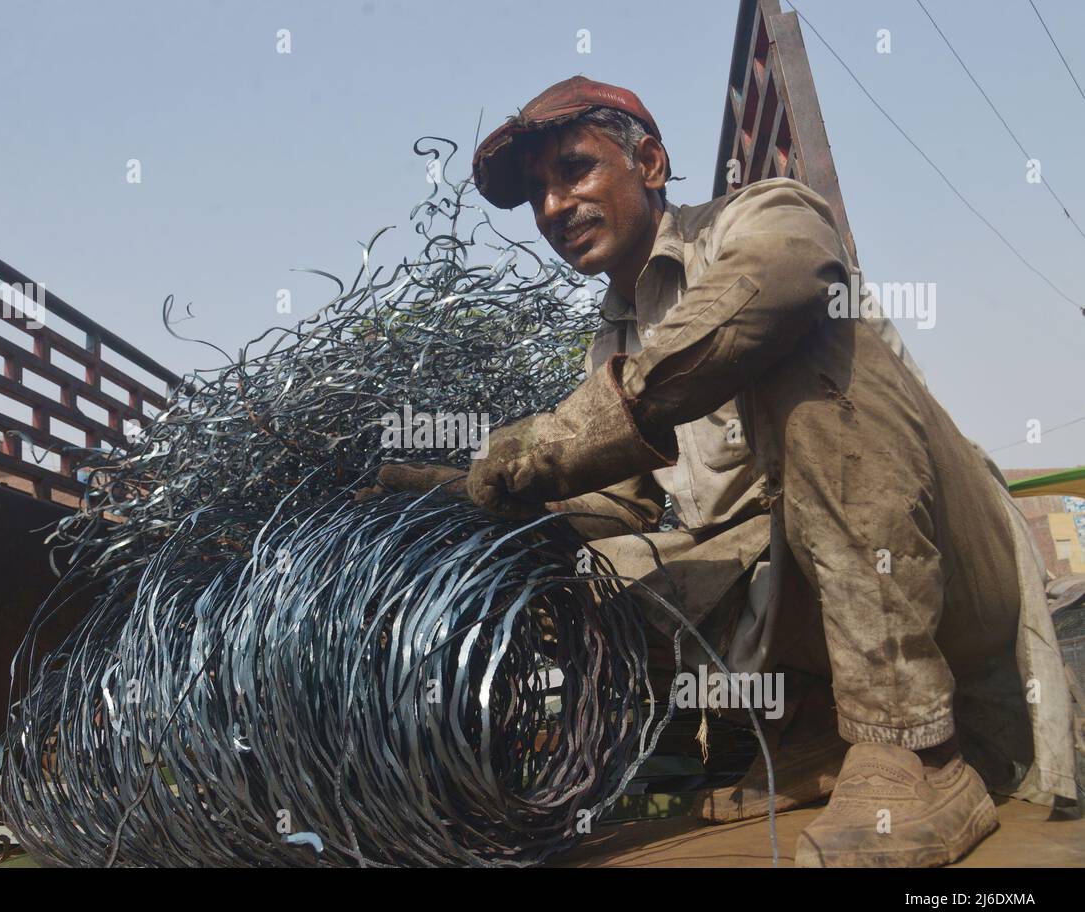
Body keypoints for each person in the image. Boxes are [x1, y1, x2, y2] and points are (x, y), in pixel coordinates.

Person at [378, 75, 1076, 866]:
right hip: (795, 600)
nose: (553, 208)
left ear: (650, 162)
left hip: (952, 575)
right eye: (537, 192)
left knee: (802, 338)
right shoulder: (609, 346)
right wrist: (472, 491)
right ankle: (808, 729)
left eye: (573, 169)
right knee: (576, 572)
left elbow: (786, 274)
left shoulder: (762, 213)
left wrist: (569, 431)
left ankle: (913, 751)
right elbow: (612, 514)